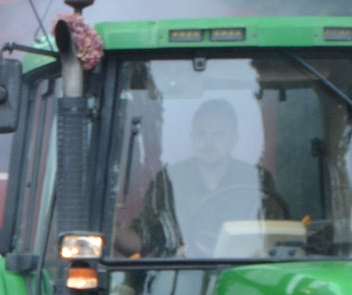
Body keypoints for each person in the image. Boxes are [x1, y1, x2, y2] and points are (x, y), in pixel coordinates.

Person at [122, 100, 291, 257]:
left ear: (234, 139)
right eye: (201, 134)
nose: (208, 143)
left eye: (218, 134)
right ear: (192, 137)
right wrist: (113, 230)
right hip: (178, 274)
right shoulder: (167, 182)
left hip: (243, 272)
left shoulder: (256, 179)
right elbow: (142, 240)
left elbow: (275, 236)